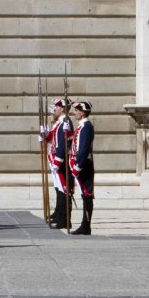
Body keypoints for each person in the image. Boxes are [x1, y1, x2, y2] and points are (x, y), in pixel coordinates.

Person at [40, 98, 73, 229]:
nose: (55, 109)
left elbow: (63, 144)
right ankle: (59, 215)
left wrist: (57, 161)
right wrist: (44, 133)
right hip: (56, 161)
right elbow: (52, 137)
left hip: (61, 162)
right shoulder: (60, 122)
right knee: (59, 189)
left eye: (57, 107)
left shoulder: (65, 121)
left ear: (63, 109)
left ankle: (64, 219)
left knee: (64, 190)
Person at [69, 101, 95, 235]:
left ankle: (86, 225)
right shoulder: (81, 126)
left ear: (83, 112)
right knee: (84, 194)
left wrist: (77, 167)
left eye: (77, 110)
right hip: (79, 165)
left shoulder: (86, 127)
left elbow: (84, 149)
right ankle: (84, 225)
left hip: (84, 166)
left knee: (87, 194)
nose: (75, 112)